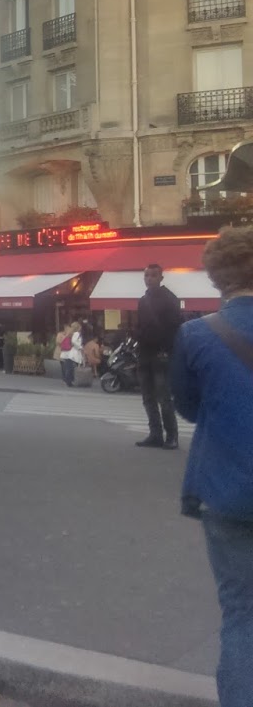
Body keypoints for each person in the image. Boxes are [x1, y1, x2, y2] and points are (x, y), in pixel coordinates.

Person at [170, 225, 253, 706]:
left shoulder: (195, 334)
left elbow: (188, 407)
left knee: (243, 611)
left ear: (217, 278)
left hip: (229, 491)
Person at [136, 263, 185, 448]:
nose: (149, 279)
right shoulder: (142, 300)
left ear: (161, 278)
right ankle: (155, 434)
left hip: (162, 354)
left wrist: (167, 348)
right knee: (148, 397)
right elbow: (140, 325)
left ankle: (172, 436)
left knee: (164, 397)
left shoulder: (170, 299)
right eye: (146, 275)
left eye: (153, 275)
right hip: (144, 353)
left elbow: (175, 327)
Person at [57, 319, 84, 387]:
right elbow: (74, 342)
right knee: (71, 368)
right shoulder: (77, 334)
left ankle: (68, 380)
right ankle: (69, 381)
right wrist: (80, 347)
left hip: (69, 353)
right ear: (78, 327)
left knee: (69, 367)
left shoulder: (70, 333)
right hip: (73, 353)